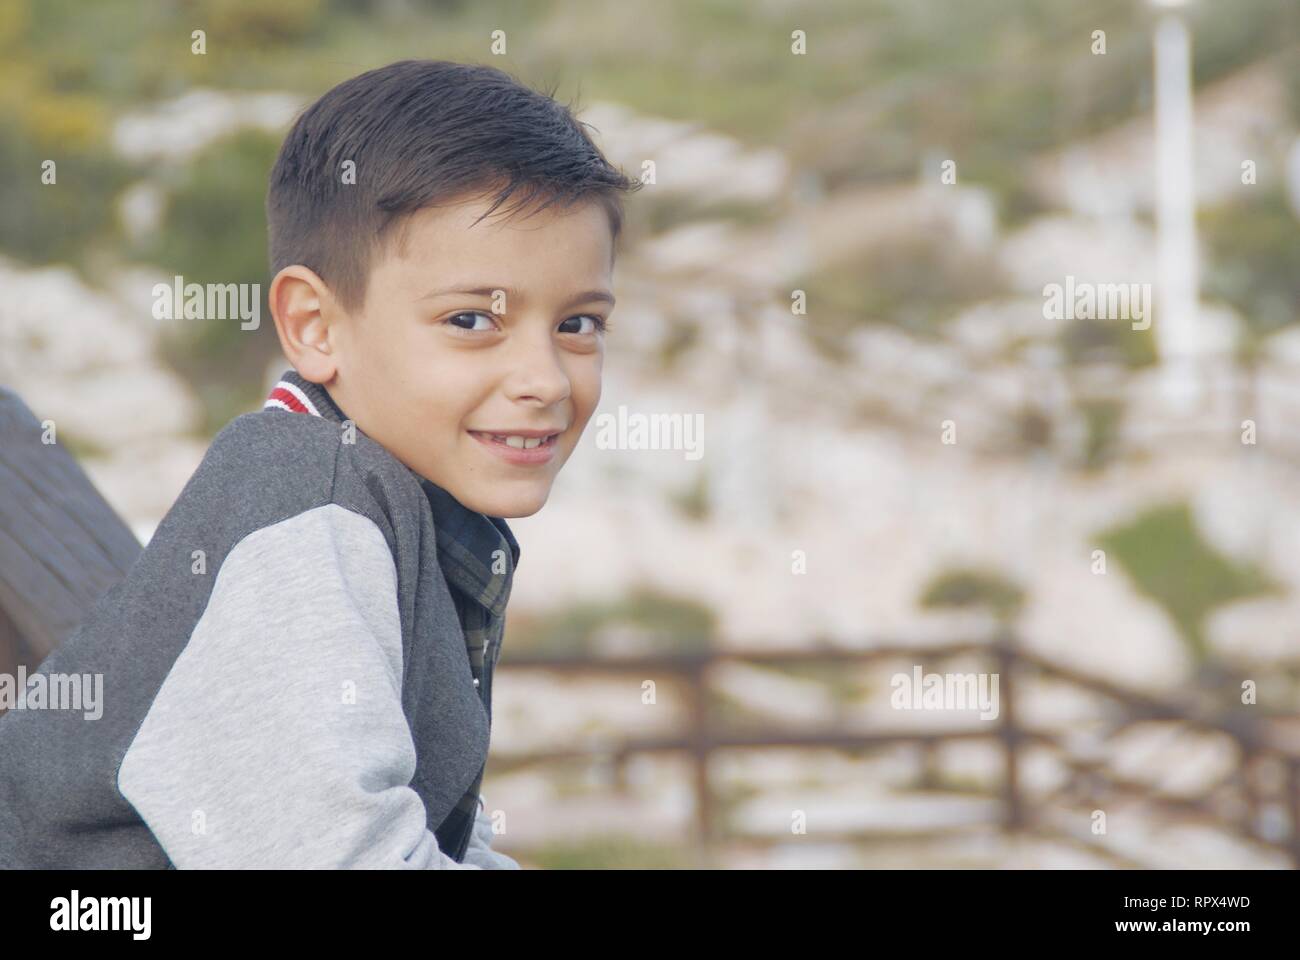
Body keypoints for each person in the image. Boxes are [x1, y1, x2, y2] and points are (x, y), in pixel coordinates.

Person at [0, 59, 640, 868]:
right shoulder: (312, 521)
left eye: (579, 325)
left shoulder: (395, 497)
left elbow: (426, 819)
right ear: (315, 326)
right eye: (473, 319)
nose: (545, 380)